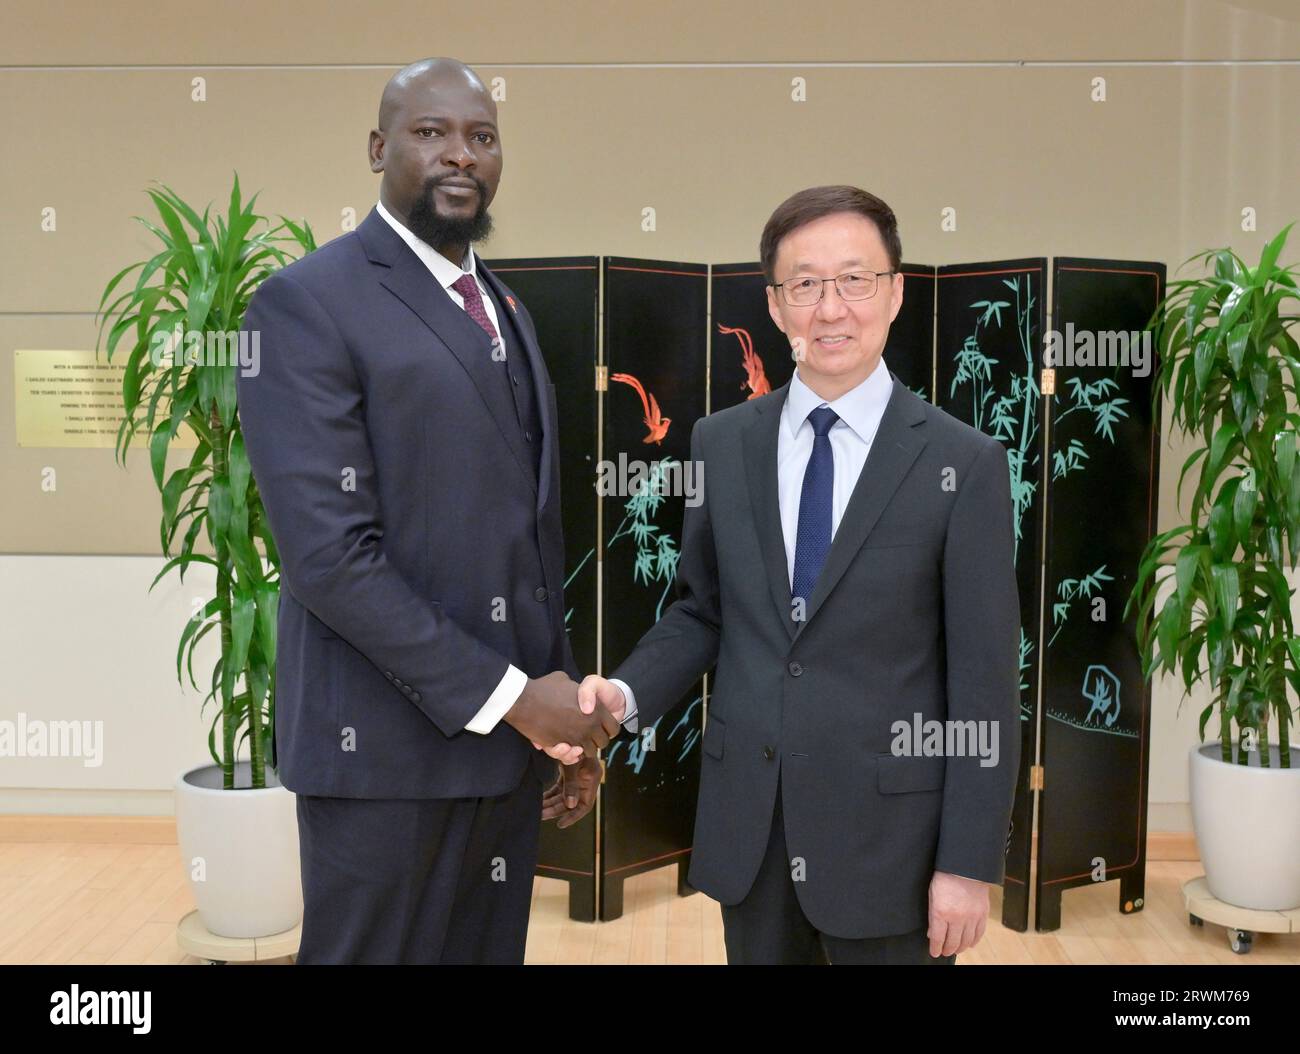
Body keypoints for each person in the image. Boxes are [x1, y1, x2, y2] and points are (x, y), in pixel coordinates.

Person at [555, 185, 1021, 964]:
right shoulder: (721, 442)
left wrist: (968, 864)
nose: (830, 308)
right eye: (805, 284)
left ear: (896, 292)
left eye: (854, 279)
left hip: (894, 851)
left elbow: (985, 681)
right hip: (755, 837)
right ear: (775, 306)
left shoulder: (962, 463)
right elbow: (703, 611)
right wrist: (624, 696)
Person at [236, 56, 617, 964]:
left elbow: (526, 544)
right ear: (378, 148)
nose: (461, 155)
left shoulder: (507, 307)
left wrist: (558, 730)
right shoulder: (303, 305)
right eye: (431, 132)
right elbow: (330, 561)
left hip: (501, 757)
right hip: (382, 767)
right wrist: (521, 703)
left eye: (481, 138)